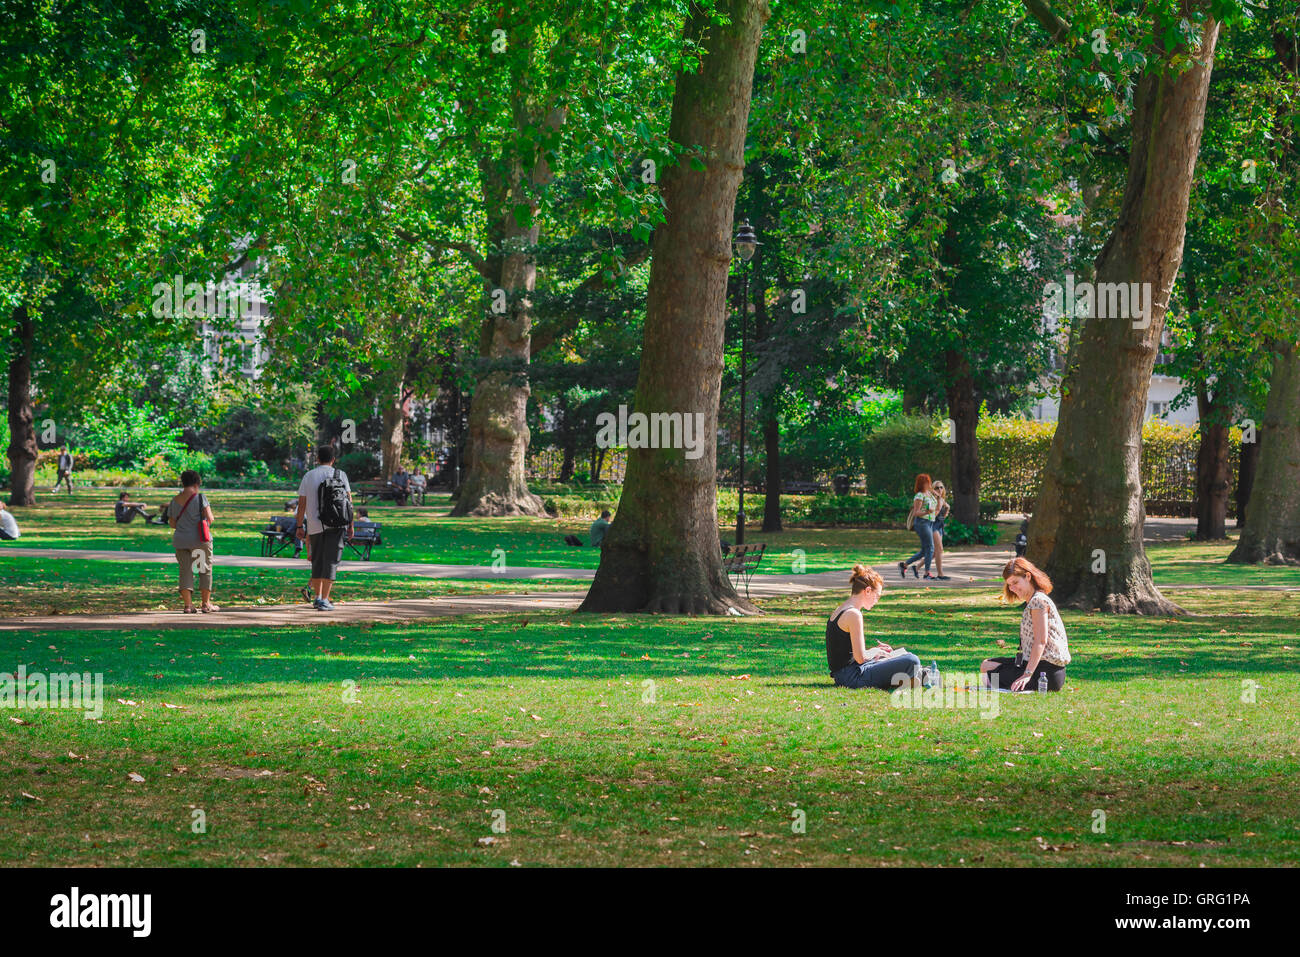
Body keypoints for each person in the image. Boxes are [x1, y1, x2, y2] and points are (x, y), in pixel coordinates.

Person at [827, 564, 933, 689]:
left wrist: (878, 652)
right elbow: (860, 658)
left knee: (895, 656)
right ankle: (919, 676)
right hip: (852, 677)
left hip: (848, 673)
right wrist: (876, 651)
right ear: (867, 591)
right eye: (877, 596)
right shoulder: (853, 614)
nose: (876, 601)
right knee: (912, 660)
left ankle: (917, 676)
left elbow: (851, 655)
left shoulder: (841, 609)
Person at [980, 557, 1071, 692]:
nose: (1012, 588)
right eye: (1009, 584)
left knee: (989, 677)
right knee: (986, 665)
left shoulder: (1037, 601)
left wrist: (1026, 675)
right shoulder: (1035, 600)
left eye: (1015, 582)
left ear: (1028, 576)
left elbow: (1041, 641)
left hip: (1046, 672)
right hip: (1033, 663)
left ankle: (1024, 678)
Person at [296, 445, 353, 611]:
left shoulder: (309, 476)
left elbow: (301, 504)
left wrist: (300, 525)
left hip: (315, 524)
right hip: (338, 522)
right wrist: (351, 525)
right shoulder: (341, 475)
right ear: (333, 459)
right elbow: (349, 502)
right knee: (332, 561)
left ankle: (318, 597)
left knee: (317, 561)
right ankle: (325, 599)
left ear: (317, 459)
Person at [166, 470, 217, 614]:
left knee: (185, 571)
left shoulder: (175, 500)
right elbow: (210, 519)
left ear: (183, 482)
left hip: (181, 541)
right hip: (199, 541)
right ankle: (206, 604)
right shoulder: (201, 498)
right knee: (203, 569)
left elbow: (172, 523)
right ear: (197, 483)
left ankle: (188, 606)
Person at [898, 473, 938, 580]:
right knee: (930, 548)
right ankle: (927, 573)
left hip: (930, 523)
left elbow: (937, 501)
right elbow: (916, 512)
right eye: (925, 483)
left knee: (925, 550)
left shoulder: (929, 494)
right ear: (921, 484)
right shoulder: (919, 495)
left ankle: (905, 565)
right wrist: (927, 511)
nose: (928, 484)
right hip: (922, 523)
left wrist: (935, 493)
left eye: (928, 482)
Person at [931, 480, 952, 580]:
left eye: (941, 487)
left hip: (939, 526)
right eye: (936, 488)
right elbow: (932, 516)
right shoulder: (931, 500)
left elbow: (942, 517)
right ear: (933, 489)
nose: (939, 489)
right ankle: (940, 574)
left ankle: (915, 568)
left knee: (935, 553)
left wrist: (947, 508)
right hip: (932, 526)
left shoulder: (942, 499)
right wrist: (939, 506)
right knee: (939, 549)